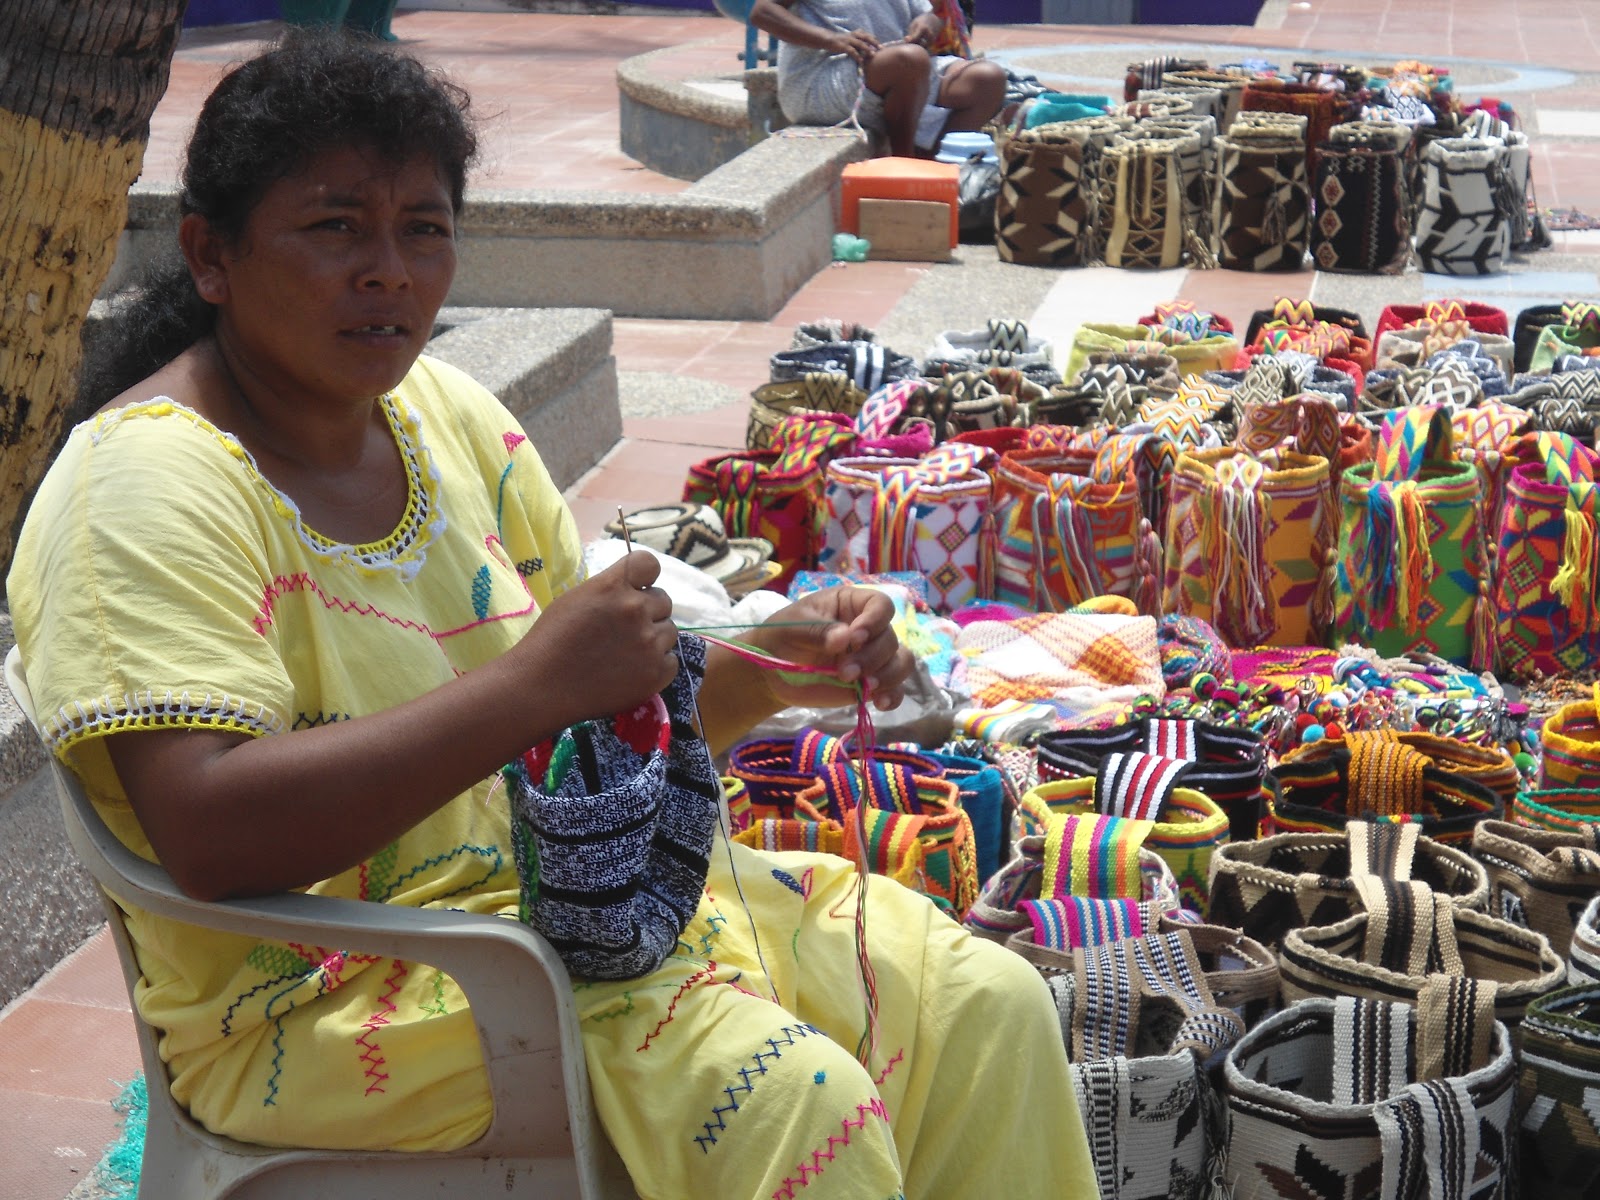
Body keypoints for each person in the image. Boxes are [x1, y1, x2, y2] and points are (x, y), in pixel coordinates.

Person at [8, 31, 1096, 1199]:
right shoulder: (143, 485)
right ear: (209, 256)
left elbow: (585, 753)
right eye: (335, 227)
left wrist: (772, 674)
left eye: (423, 228)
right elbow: (210, 835)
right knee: (789, 1103)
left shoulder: (446, 418)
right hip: (320, 1000)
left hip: (552, 923)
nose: (388, 270)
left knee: (983, 1004)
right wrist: (534, 686)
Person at [751, 0, 1006, 157]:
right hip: (821, 81)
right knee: (909, 60)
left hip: (899, 74)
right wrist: (833, 40)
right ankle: (903, 164)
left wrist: (927, 24)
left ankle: (936, 163)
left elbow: (928, 15)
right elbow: (762, 11)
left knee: (987, 79)